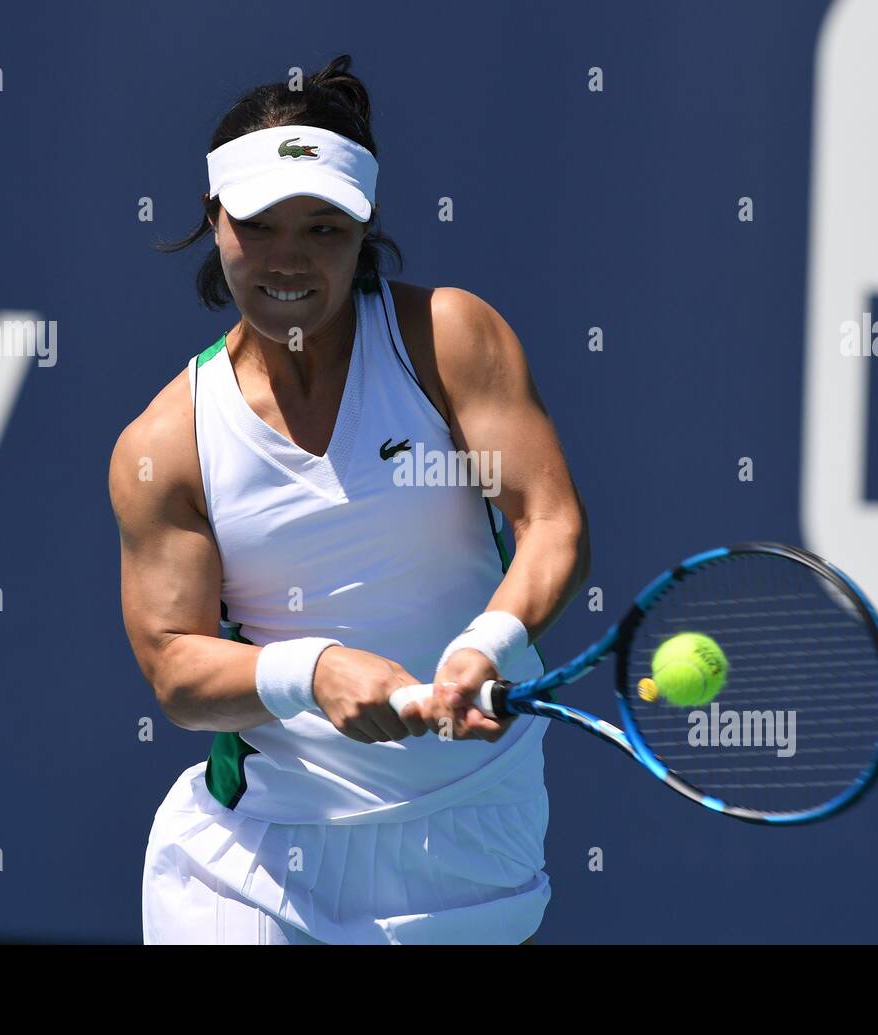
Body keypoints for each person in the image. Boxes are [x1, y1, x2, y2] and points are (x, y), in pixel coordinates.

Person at [110, 55, 590, 944]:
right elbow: (176, 669)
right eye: (260, 225)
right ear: (216, 221)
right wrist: (315, 670)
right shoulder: (166, 442)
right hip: (254, 864)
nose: (289, 260)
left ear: (364, 231)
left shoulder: (450, 338)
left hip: (475, 847)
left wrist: (488, 641)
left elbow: (551, 523)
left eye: (324, 228)